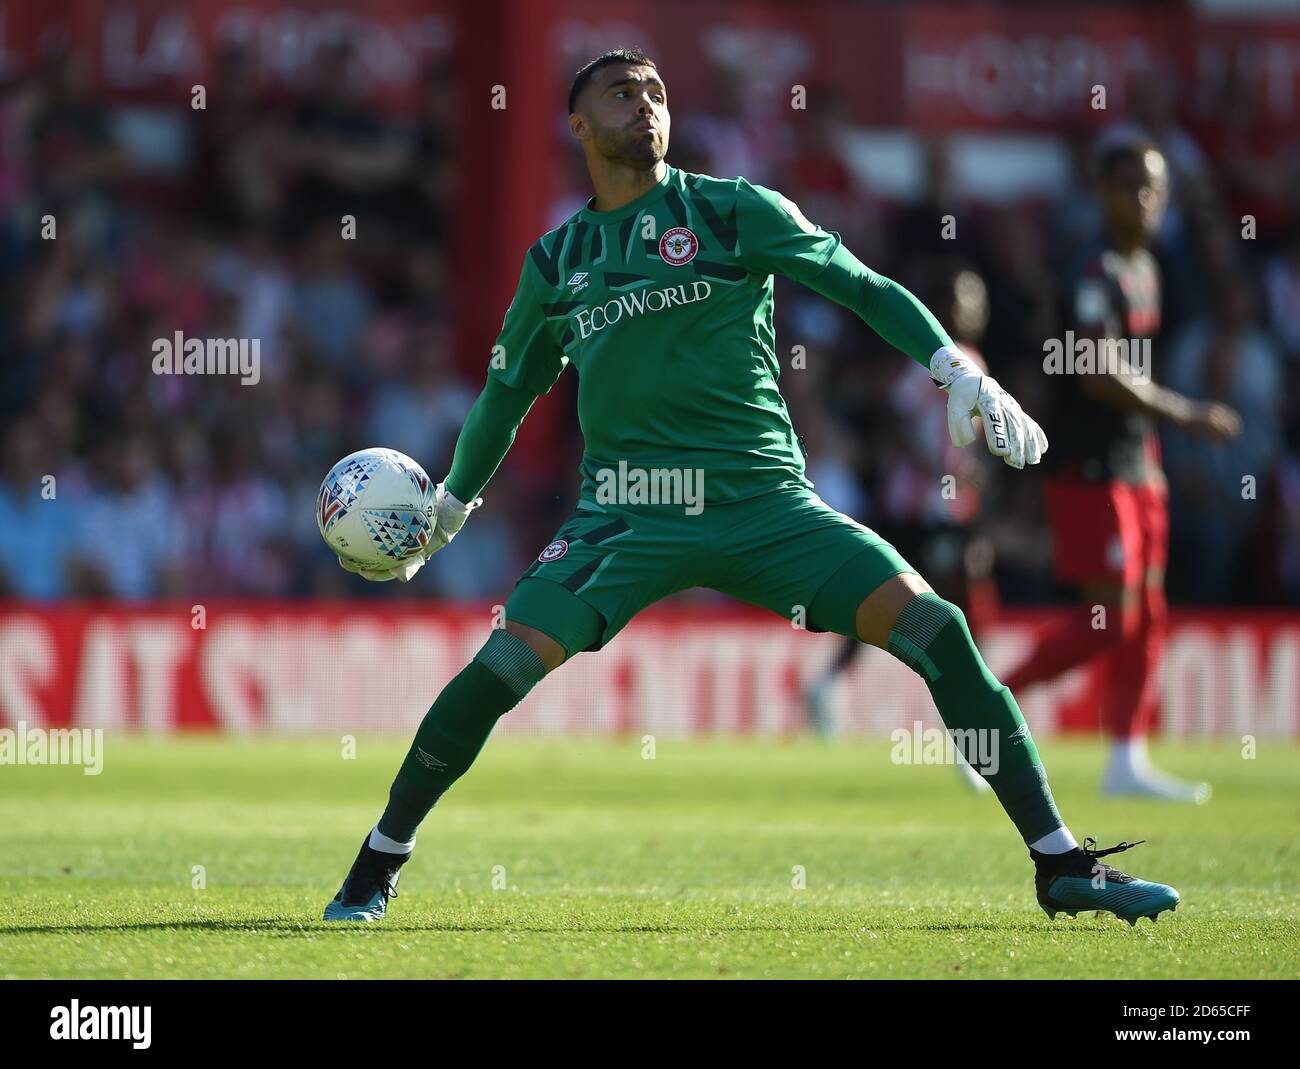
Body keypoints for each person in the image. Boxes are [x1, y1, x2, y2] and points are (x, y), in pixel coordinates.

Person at [323, 50, 1178, 926]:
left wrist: (955, 371)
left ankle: (1060, 862)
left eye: (654, 91)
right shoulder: (558, 261)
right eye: (620, 95)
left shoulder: (734, 211)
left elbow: (861, 285)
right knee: (498, 668)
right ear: (578, 125)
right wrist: (455, 504)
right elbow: (508, 392)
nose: (644, 105)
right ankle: (376, 864)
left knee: (937, 628)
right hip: (627, 514)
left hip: (767, 505)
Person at [1004, 139, 1241, 803]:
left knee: (1149, 615)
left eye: (1157, 189)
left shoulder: (1147, 265)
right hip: (1090, 464)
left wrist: (1160, 444)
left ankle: (1126, 757)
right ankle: (990, 708)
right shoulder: (1090, 266)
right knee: (1108, 615)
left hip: (1141, 464)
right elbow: (1096, 369)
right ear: (1104, 192)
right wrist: (1186, 413)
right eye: (1134, 187)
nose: (1148, 200)